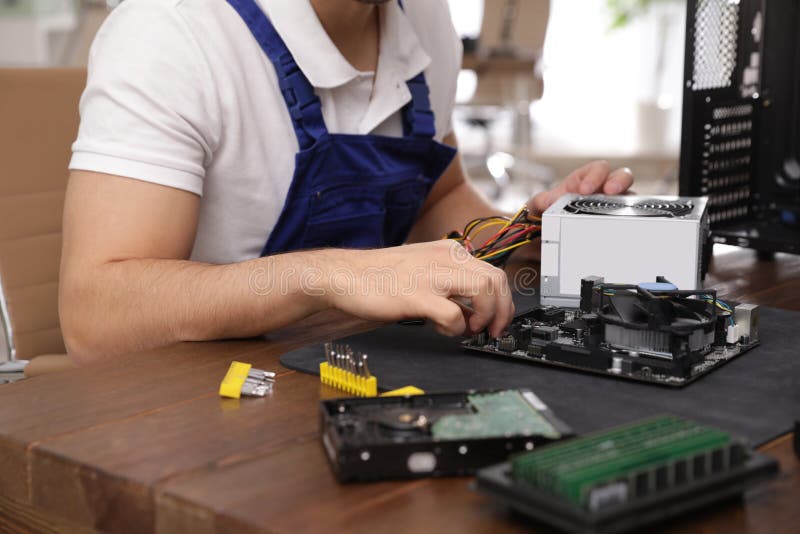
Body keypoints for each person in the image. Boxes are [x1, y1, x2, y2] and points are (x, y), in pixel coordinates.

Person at [60, 0, 633, 364]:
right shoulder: (172, 31)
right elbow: (95, 316)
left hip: (355, 367)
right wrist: (327, 273)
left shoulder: (423, 17)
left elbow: (442, 195)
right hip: (205, 401)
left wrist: (519, 240)